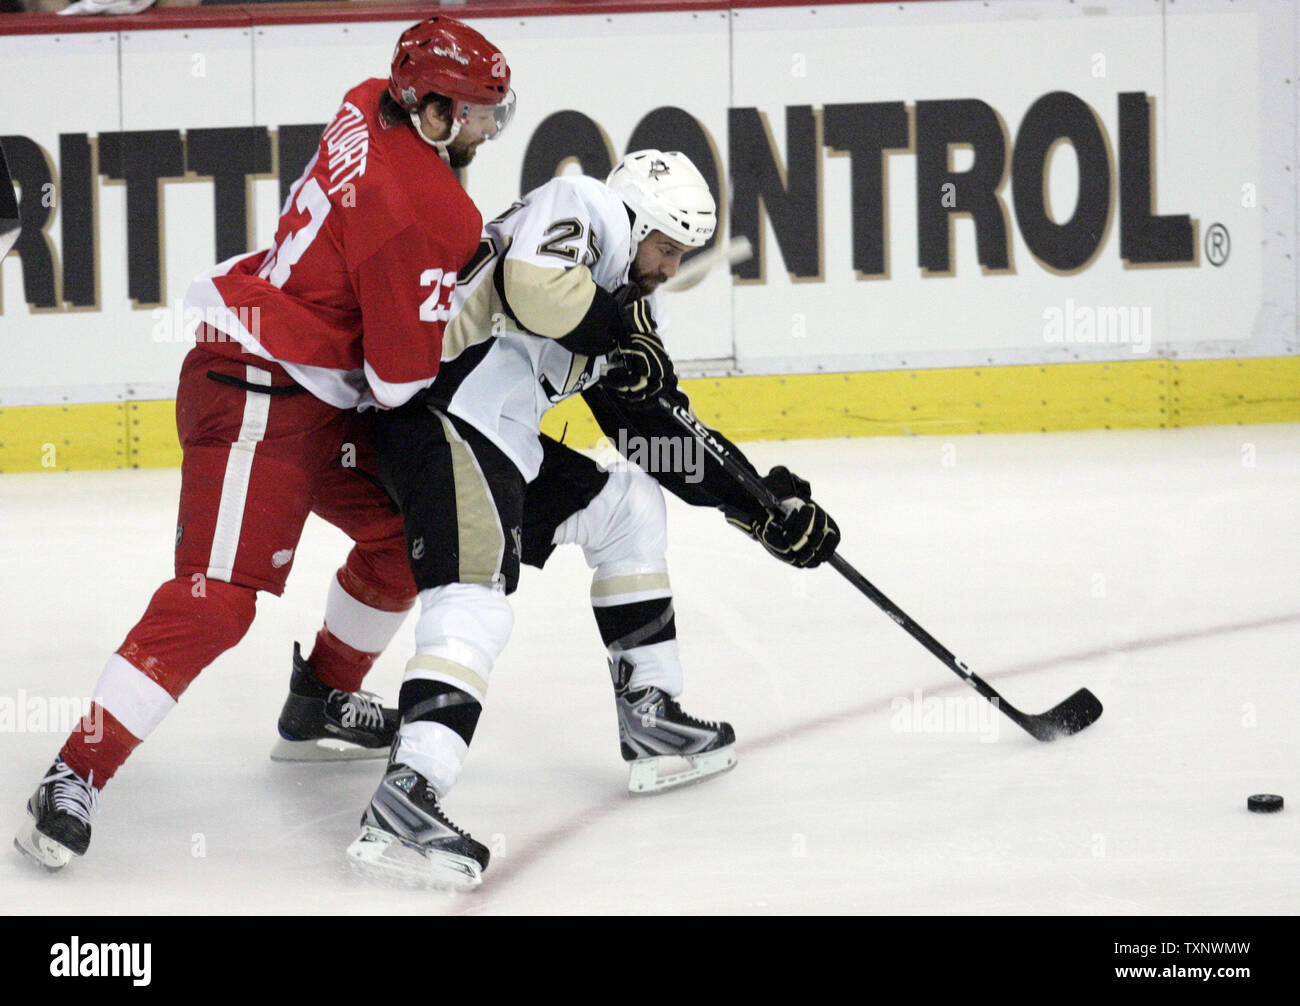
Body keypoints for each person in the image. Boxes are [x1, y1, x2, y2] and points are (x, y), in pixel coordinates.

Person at [13, 15, 515, 871]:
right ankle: (74, 771)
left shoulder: (367, 102)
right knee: (218, 599)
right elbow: (396, 385)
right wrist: (467, 290)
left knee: (401, 534)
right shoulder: (427, 209)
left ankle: (320, 697)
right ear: (431, 112)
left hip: (300, 381)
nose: (486, 130)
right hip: (256, 389)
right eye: (476, 115)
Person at [345, 149, 840, 888]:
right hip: (435, 416)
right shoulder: (583, 207)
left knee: (626, 506)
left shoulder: (629, 301)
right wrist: (619, 336)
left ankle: (651, 715)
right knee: (476, 596)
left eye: (683, 253)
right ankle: (409, 792)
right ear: (633, 220)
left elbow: (652, 433)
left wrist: (760, 507)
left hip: (498, 441)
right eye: (666, 246)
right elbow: (536, 290)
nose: (672, 266)